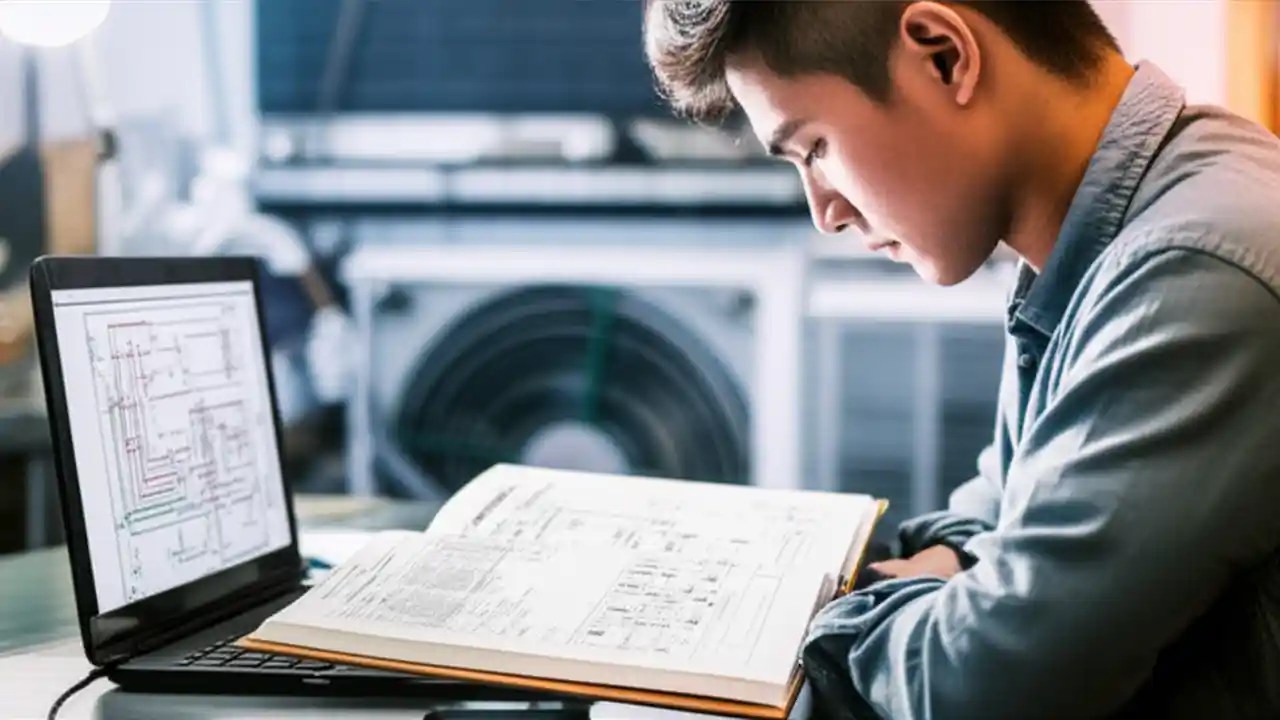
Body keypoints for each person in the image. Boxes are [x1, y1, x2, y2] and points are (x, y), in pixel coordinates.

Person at [644, 1, 1280, 718]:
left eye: (814, 148)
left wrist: (809, 620)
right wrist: (952, 586)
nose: (824, 210)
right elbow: (993, 516)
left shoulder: (1195, 271)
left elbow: (981, 685)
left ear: (944, 56)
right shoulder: (1105, 239)